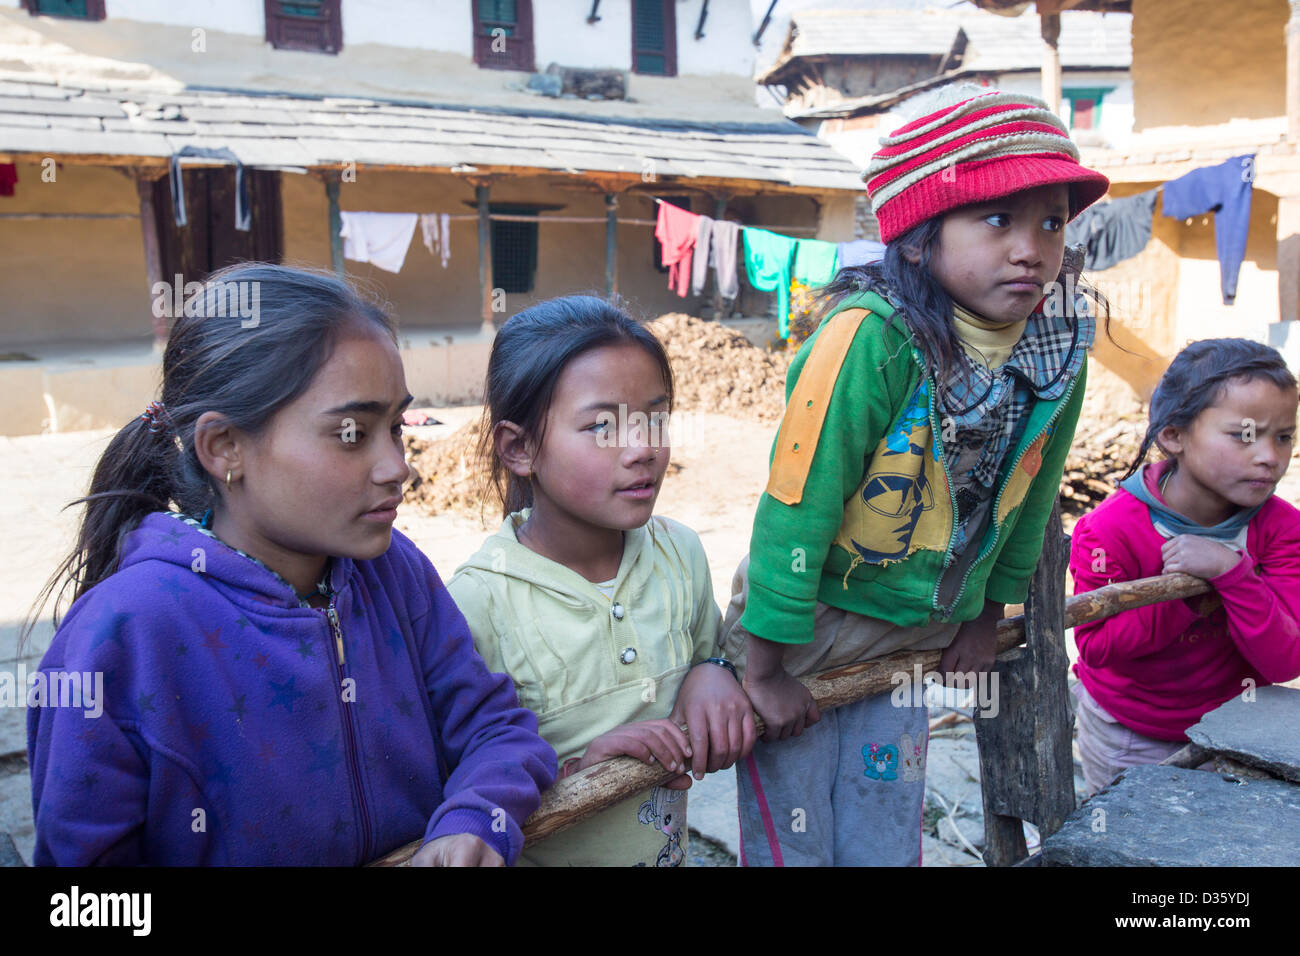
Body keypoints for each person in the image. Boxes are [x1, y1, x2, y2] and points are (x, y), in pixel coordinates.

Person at [25, 264, 556, 866]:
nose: (397, 467)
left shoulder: (394, 572)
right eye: (352, 433)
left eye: (396, 427)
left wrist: (477, 819)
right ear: (225, 448)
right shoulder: (125, 634)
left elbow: (497, 729)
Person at [718, 86, 1111, 866]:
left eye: (1052, 221)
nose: (1031, 248)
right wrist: (762, 669)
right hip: (810, 626)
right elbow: (798, 504)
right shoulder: (868, 338)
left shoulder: (1054, 353)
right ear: (919, 235)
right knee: (796, 834)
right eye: (998, 219)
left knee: (885, 821)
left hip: (917, 633)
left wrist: (982, 613)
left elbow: (1030, 502)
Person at [447, 295, 756, 866]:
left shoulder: (679, 554)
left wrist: (712, 673)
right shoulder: (479, 602)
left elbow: (710, 655)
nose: (643, 449)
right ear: (520, 448)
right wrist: (582, 773)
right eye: (602, 427)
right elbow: (463, 795)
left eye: (654, 419)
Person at [1070, 339, 1300, 795]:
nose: (1270, 456)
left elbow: (1285, 658)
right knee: (1128, 842)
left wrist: (1232, 575)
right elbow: (1098, 646)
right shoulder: (1110, 531)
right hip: (1131, 732)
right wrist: (1189, 594)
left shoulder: (1280, 529)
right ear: (1173, 436)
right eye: (1245, 435)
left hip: (1235, 729)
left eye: (1284, 436)